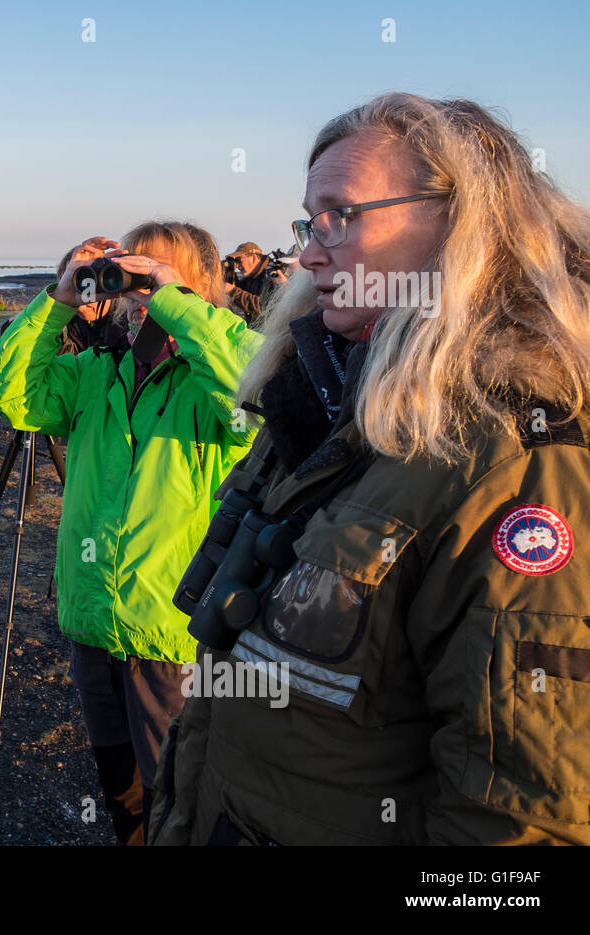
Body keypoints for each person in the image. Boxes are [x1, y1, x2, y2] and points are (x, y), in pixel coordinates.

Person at [150, 92, 590, 845]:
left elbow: (523, 822)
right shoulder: (318, 401)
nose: (309, 253)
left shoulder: (514, 462)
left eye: (341, 217)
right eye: (307, 223)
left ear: (461, 226)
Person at [0, 222, 262, 843]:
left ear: (195, 286)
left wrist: (173, 301)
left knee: (182, 799)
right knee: (123, 795)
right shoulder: (95, 372)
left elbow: (256, 386)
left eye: (150, 274)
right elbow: (10, 391)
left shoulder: (208, 385)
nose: (135, 290)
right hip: (93, 621)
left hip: (171, 633)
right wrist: (58, 301)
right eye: (126, 272)